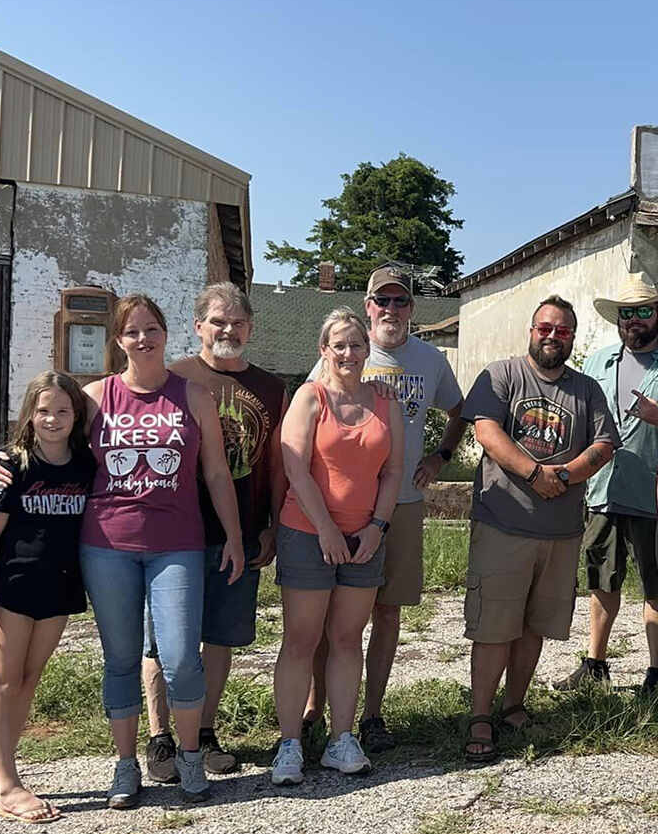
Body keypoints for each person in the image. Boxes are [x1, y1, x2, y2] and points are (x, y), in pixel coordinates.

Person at [80, 294, 244, 808]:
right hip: (107, 544)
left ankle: (190, 756)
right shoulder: (93, 397)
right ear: (118, 340)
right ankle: (126, 766)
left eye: (152, 329)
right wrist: (2, 460)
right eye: (132, 332)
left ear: (167, 333)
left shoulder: (193, 396)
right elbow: (46, 446)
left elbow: (216, 472)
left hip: (177, 545)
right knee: (122, 658)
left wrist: (235, 536)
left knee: (179, 658)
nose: (143, 339)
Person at [303, 265, 464, 756]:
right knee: (332, 613)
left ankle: (371, 712)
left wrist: (440, 456)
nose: (391, 310)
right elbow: (309, 414)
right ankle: (315, 709)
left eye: (401, 302)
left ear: (412, 309)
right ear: (368, 306)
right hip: (343, 508)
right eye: (382, 301)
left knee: (387, 611)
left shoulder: (430, 359)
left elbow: (459, 410)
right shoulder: (345, 351)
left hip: (403, 505)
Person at [135, 283, 286, 783]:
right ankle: (160, 739)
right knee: (161, 642)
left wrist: (270, 525)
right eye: (218, 321)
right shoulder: (173, 376)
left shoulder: (270, 386)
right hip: (173, 530)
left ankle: (201, 732)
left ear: (251, 329)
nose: (228, 330)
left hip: (240, 531)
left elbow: (277, 464)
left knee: (218, 638)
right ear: (198, 325)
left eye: (238, 322)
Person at [460, 296, 617, 764]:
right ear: (531, 330)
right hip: (502, 522)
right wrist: (534, 474)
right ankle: (480, 716)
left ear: (571, 337)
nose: (553, 336)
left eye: (563, 330)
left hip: (560, 530)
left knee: (533, 625)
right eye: (545, 328)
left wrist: (565, 476)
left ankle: (514, 706)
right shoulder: (504, 374)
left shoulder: (586, 389)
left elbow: (605, 443)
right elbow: (486, 432)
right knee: (493, 626)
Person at [270, 308, 405, 784]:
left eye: (357, 345)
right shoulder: (310, 398)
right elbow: (296, 469)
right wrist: (326, 528)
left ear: (369, 349)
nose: (349, 354)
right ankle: (289, 744)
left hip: (365, 538)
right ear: (324, 350)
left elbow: (393, 471)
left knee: (348, 640)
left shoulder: (386, 402)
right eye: (339, 345)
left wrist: (377, 527)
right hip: (308, 534)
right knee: (302, 640)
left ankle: (341, 738)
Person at [564, 272, 658, 692]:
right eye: (627, 313)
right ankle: (595, 663)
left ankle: (653, 671)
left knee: (656, 585)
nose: (634, 321)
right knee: (601, 582)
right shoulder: (597, 362)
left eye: (643, 312)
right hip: (602, 491)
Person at [0, 371, 95, 823]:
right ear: (29, 413)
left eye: (63, 410)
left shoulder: (85, 463)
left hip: (60, 586)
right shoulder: (10, 464)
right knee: (4, 678)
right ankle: (7, 784)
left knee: (29, 677)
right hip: (14, 587)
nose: (53, 419)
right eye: (43, 410)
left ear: (75, 415)